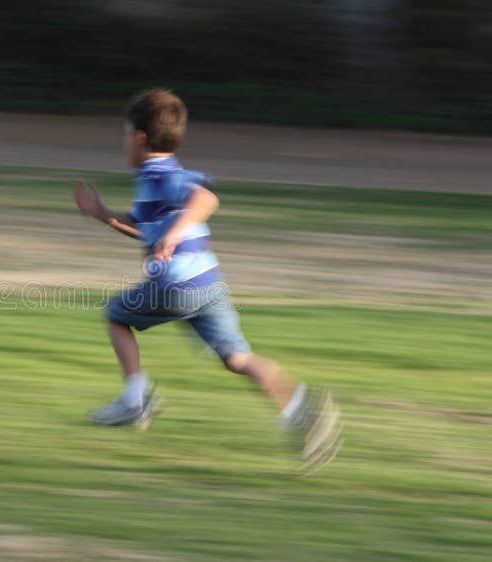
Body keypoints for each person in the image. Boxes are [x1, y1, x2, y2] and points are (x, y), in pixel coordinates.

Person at [73, 88, 341, 473]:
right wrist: (103, 214)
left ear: (139, 138)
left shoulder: (160, 173)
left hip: (176, 286)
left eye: (124, 134)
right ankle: (304, 413)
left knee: (116, 316)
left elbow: (205, 199)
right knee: (238, 358)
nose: (123, 143)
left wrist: (174, 233)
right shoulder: (157, 181)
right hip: (207, 284)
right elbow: (143, 228)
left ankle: (135, 400)